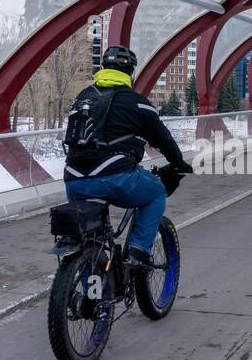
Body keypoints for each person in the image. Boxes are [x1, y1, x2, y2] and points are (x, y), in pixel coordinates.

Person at [62, 45, 193, 267]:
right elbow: (164, 140)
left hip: (74, 180)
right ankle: (138, 251)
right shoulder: (137, 102)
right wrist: (178, 163)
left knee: (91, 238)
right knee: (156, 194)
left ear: (103, 68)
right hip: (116, 178)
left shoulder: (82, 98)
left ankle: (87, 281)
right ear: (131, 73)